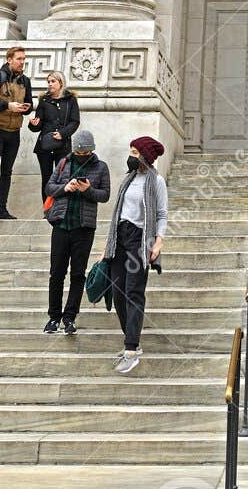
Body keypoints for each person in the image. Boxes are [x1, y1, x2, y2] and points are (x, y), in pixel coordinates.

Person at [103, 135, 168, 375]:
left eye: (134, 152)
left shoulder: (156, 181)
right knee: (118, 293)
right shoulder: (128, 179)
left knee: (133, 292)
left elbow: (161, 213)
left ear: (144, 155)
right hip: (119, 238)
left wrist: (158, 242)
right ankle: (133, 340)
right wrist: (106, 247)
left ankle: (131, 349)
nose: (130, 156)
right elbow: (118, 212)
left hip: (140, 240)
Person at [43, 129, 110, 335]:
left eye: (86, 152)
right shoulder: (64, 163)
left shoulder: (100, 167)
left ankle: (70, 317)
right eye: (79, 152)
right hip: (61, 225)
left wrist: (87, 190)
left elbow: (105, 195)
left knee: (78, 274)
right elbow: (49, 188)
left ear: (92, 150)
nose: (82, 155)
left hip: (84, 227)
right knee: (56, 273)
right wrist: (66, 187)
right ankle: (53, 317)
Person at [0, 45, 33, 220]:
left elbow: (29, 104)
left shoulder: (25, 81)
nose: (22, 63)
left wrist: (26, 108)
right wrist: (8, 105)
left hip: (14, 131)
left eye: (24, 59)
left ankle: (1, 210)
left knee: (7, 172)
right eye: (19, 59)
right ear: (9, 59)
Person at [27, 72, 81, 201]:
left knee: (62, 178)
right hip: (44, 146)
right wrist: (34, 124)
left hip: (63, 146)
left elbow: (75, 122)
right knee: (47, 178)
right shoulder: (44, 100)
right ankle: (47, 209)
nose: (50, 84)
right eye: (49, 81)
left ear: (60, 83)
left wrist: (62, 134)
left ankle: (59, 208)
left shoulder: (71, 100)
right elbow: (38, 126)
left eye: (53, 81)